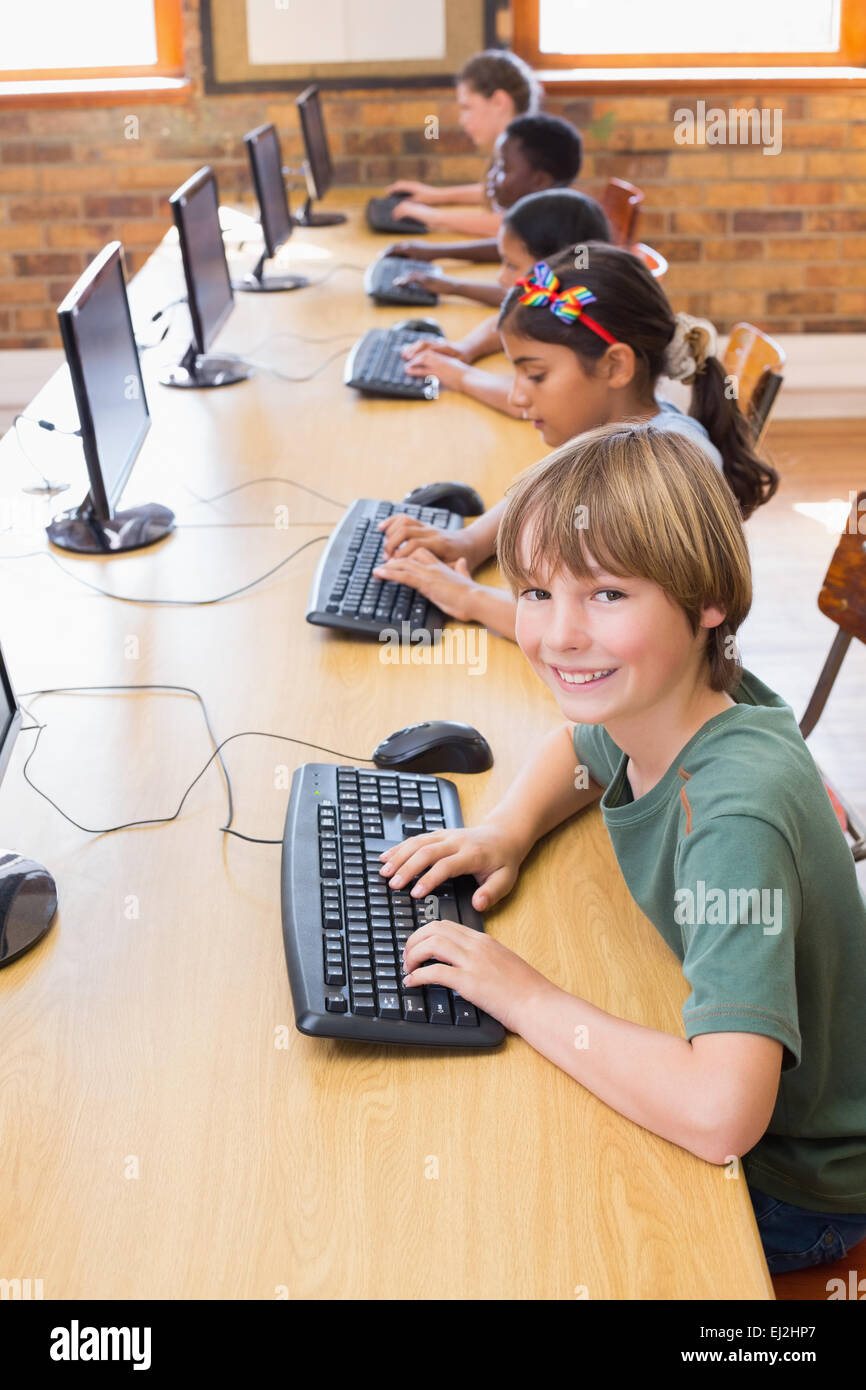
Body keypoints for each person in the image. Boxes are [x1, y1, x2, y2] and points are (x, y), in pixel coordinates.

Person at [379, 420, 866, 1275]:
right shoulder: (677, 698)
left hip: (799, 1189)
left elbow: (721, 1113)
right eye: (535, 592)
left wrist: (521, 994)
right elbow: (578, 752)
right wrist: (505, 831)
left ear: (707, 599)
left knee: (500, 1211)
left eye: (605, 595)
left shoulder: (733, 817)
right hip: (754, 1112)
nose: (560, 635)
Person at [373, 243, 778, 641]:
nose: (516, 396)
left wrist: (468, 597)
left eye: (535, 376)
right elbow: (540, 492)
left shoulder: (658, 473)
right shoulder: (619, 427)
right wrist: (466, 543)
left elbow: (596, 626)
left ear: (615, 365)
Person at [394, 189, 611, 419]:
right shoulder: (561, 299)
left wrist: (459, 376)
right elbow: (506, 320)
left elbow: (533, 401)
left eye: (511, 265)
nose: (501, 278)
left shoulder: (580, 321)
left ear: (556, 268)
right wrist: (464, 349)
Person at [383, 49, 543, 238]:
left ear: (499, 102)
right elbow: (494, 192)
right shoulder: (513, 146)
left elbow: (514, 224)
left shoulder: (527, 155)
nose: (462, 120)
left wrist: (434, 217)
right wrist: (436, 195)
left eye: (467, 107)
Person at [386, 113, 583, 254]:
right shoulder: (551, 209)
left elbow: (521, 294)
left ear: (540, 181)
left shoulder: (559, 229)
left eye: (503, 168)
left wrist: (452, 285)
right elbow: (502, 246)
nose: (491, 176)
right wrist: (436, 253)